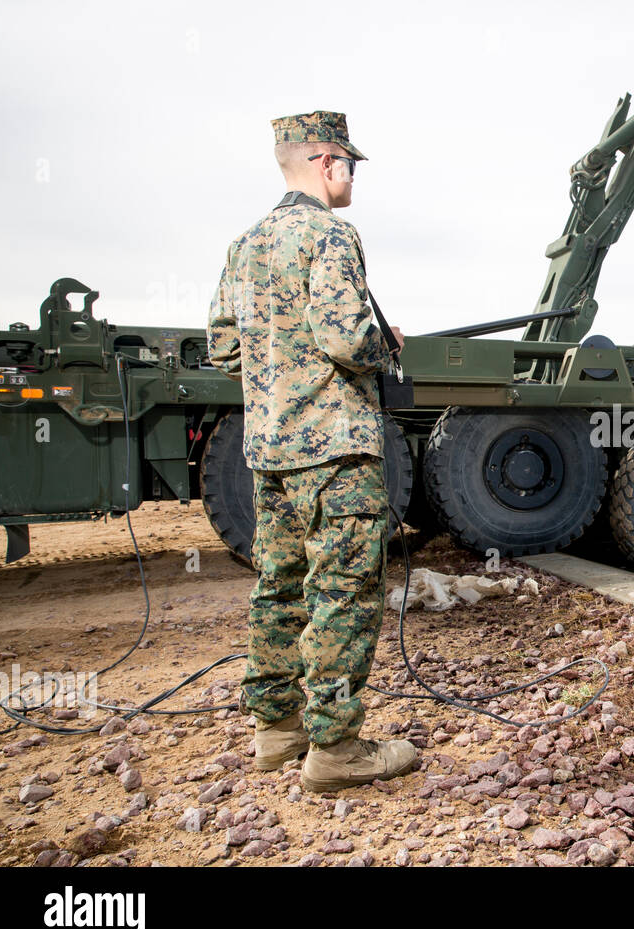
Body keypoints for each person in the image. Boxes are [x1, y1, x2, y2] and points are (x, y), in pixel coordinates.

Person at [207, 110, 416, 792]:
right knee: (345, 591)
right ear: (326, 161)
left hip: (269, 452)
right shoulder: (331, 234)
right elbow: (346, 339)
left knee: (279, 588)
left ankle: (276, 730)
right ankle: (336, 749)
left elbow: (223, 346)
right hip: (335, 451)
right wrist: (387, 343)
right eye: (349, 163)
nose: (352, 175)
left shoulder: (244, 244)